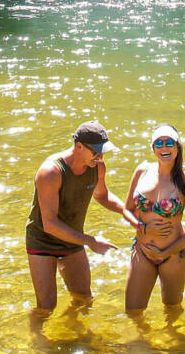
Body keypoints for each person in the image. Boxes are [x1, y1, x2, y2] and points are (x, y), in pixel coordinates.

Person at [25, 121, 142, 312]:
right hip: (42, 241)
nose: (100, 157)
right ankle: (39, 341)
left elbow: (102, 195)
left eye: (103, 152)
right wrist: (91, 242)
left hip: (72, 238)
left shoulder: (97, 166)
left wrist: (127, 213)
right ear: (79, 146)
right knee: (46, 307)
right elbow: (50, 224)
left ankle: (72, 335)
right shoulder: (50, 172)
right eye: (96, 152)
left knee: (84, 299)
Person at [123, 123, 185, 312]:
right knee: (133, 313)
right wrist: (142, 227)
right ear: (153, 148)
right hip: (142, 252)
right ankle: (144, 343)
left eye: (169, 143)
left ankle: (170, 340)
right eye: (159, 143)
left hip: (174, 256)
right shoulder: (142, 171)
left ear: (177, 147)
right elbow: (127, 209)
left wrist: (165, 253)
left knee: (172, 311)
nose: (164, 148)